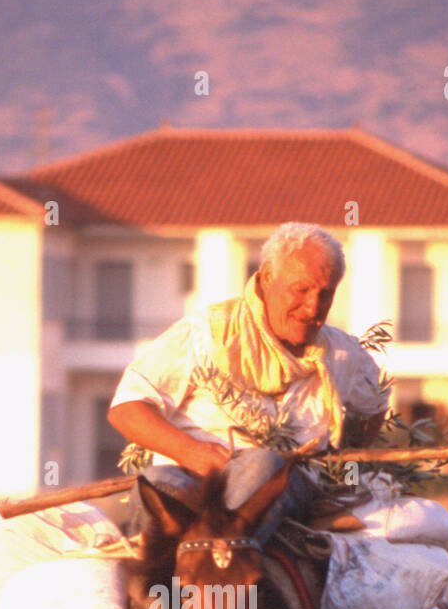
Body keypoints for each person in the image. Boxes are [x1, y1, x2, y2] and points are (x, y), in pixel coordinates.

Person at [107, 221, 391, 540]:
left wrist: (339, 463)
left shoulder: (342, 354)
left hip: (282, 488)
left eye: (325, 294)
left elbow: (374, 405)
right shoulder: (205, 335)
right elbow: (126, 407)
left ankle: (228, 554)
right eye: (301, 290)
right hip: (191, 482)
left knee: (262, 464)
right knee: (156, 483)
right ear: (268, 277)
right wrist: (189, 451)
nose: (313, 307)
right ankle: (170, 580)